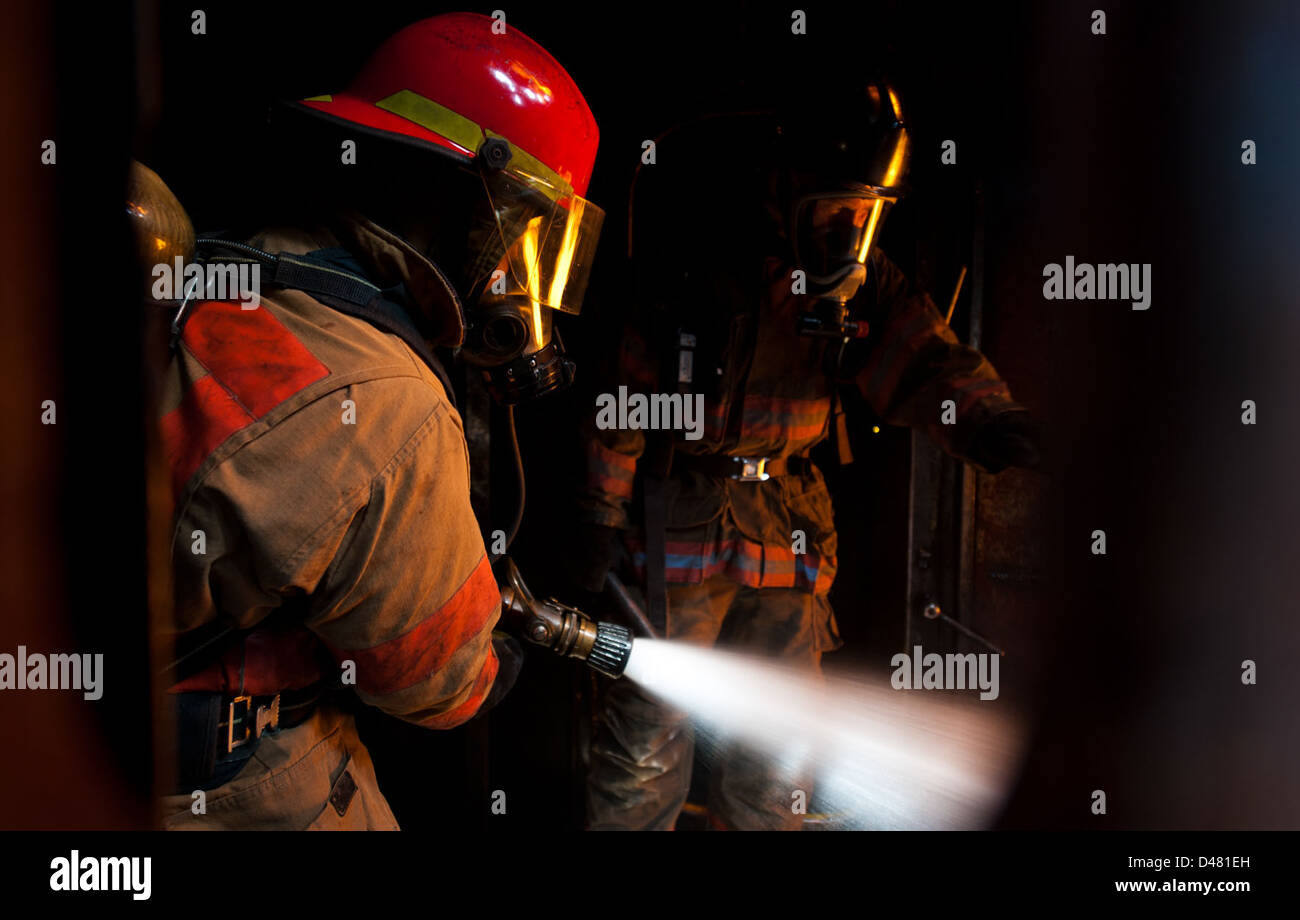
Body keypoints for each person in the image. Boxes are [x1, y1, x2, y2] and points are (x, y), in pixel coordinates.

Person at [152, 12, 604, 829]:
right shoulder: (392, 403)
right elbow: (439, 688)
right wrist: (493, 655)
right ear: (466, 201)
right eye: (525, 234)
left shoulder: (248, 262)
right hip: (229, 779)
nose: (519, 279)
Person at [576, 85, 1038, 830]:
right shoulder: (697, 269)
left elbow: (924, 361)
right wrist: (599, 513)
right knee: (646, 743)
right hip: (681, 527)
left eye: (863, 212)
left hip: (787, 530)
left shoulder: (866, 286)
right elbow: (624, 397)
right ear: (784, 188)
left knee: (783, 748)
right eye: (833, 208)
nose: (847, 230)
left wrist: (989, 421)